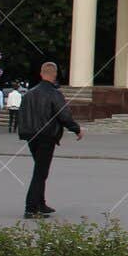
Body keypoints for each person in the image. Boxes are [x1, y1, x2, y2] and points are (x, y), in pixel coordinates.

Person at [17, 61, 82, 218]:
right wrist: (76, 129)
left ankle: (41, 204)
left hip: (31, 136)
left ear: (41, 74)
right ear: (54, 75)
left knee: (41, 170)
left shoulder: (29, 94)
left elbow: (22, 115)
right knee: (40, 172)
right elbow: (64, 115)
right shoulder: (55, 94)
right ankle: (31, 208)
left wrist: (25, 133)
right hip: (47, 136)